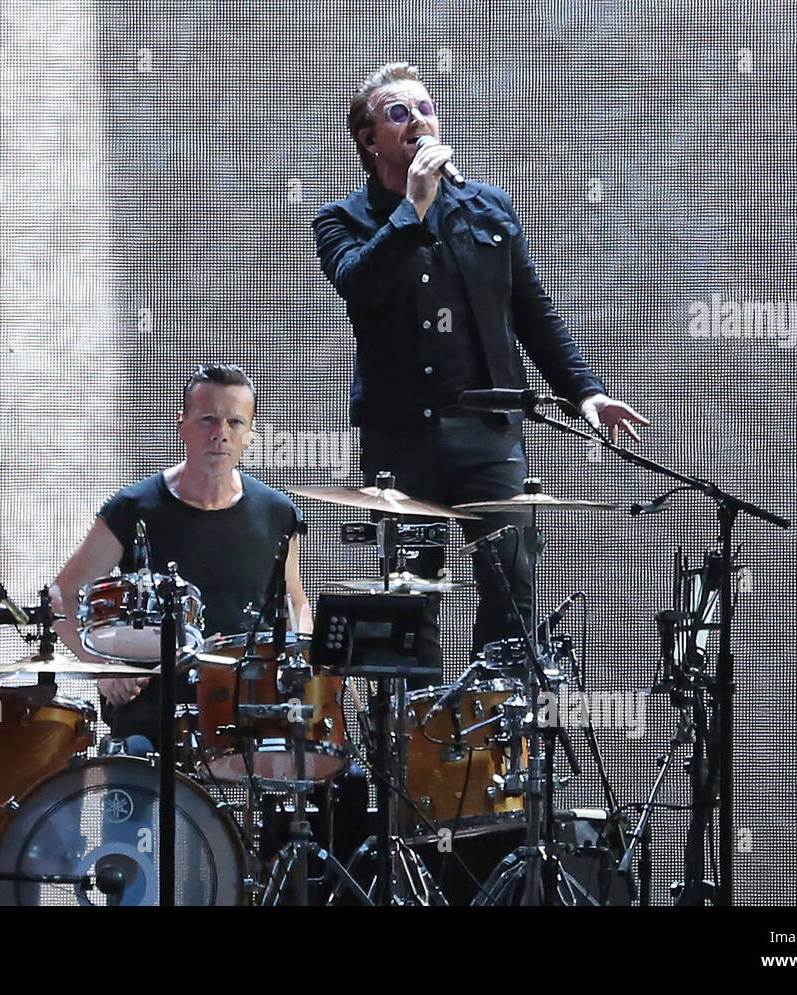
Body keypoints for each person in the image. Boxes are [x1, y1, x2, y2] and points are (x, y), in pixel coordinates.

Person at [313, 62, 649, 655]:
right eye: (399, 113)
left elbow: (533, 312)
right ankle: (413, 715)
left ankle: (496, 712)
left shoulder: (487, 209)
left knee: (511, 583)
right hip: (401, 437)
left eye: (425, 108)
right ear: (369, 140)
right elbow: (360, 288)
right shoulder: (344, 220)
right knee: (410, 592)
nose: (419, 120)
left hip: (488, 432)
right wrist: (412, 209)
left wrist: (585, 392)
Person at [50, 364, 312, 753]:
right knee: (132, 764)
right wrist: (102, 668)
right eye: (208, 419)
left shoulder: (277, 513)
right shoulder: (133, 508)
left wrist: (300, 661)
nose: (220, 433)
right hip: (152, 709)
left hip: (247, 708)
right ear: (181, 424)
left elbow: (296, 602)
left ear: (250, 436)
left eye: (235, 422)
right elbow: (61, 595)